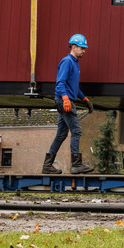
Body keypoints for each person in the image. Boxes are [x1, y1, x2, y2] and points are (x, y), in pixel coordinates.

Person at [42, 33, 92, 175]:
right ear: (74, 47)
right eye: (82, 48)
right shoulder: (67, 61)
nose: (84, 51)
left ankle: (47, 166)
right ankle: (76, 165)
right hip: (65, 102)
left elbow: (73, 87)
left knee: (61, 134)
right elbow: (60, 83)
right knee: (76, 130)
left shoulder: (75, 63)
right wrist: (65, 99)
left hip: (67, 100)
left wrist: (85, 99)